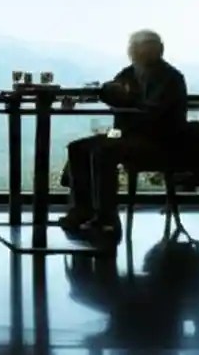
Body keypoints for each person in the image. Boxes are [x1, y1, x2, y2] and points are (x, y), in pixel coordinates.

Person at [59, 29, 188, 239]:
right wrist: (88, 95)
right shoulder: (131, 73)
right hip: (129, 137)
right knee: (78, 147)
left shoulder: (170, 78)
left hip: (159, 142)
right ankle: (81, 209)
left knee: (103, 151)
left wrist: (126, 99)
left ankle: (105, 217)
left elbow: (154, 113)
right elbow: (112, 90)